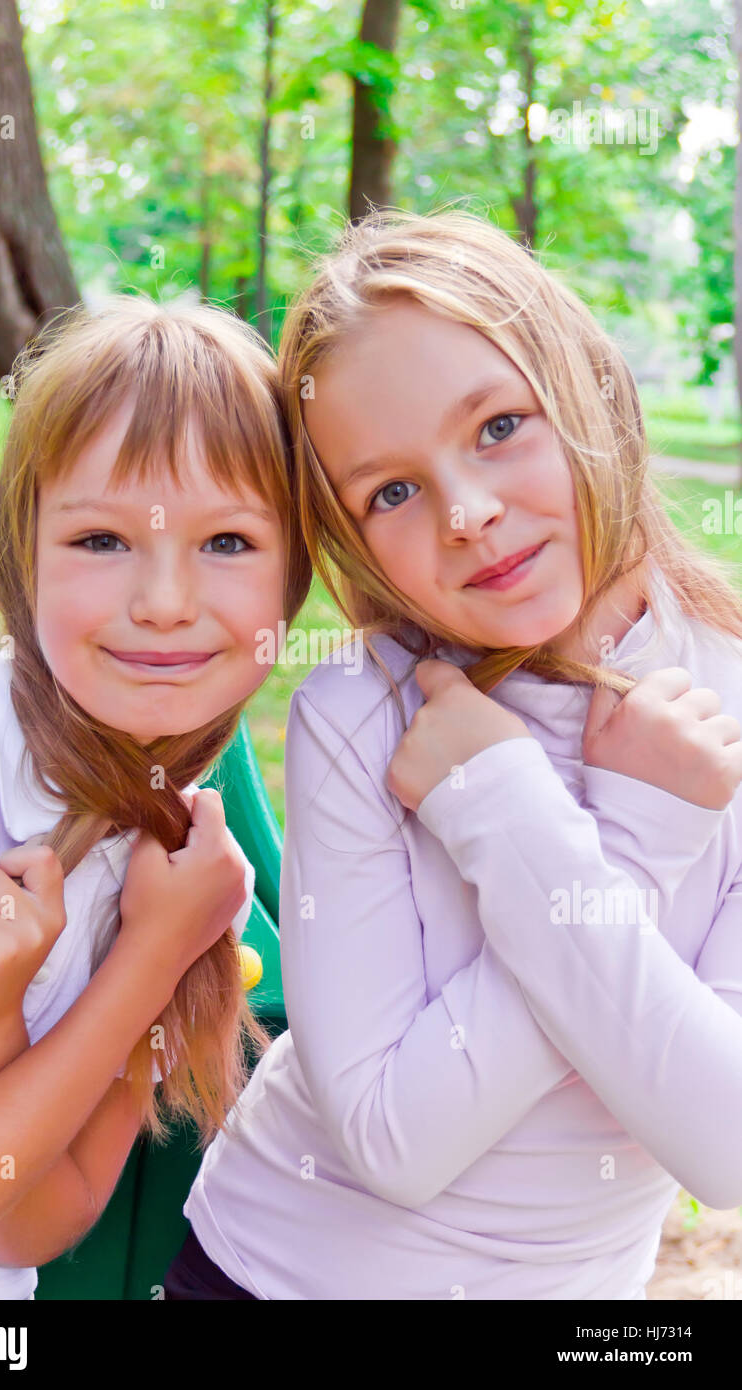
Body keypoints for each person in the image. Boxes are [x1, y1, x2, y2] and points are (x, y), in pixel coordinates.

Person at [165, 207, 742, 1300]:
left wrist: (513, 815)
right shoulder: (365, 715)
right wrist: (626, 832)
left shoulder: (728, 703)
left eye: (496, 427)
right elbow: (391, 1142)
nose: (466, 513)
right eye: (390, 491)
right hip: (271, 1275)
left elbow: (721, 1146)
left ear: (588, 385)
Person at [0, 293, 311, 1299]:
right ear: (21, 555)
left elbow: (33, 1222)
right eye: (102, 541)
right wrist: (147, 958)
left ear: (292, 583)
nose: (162, 599)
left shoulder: (189, 868)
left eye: (229, 543)